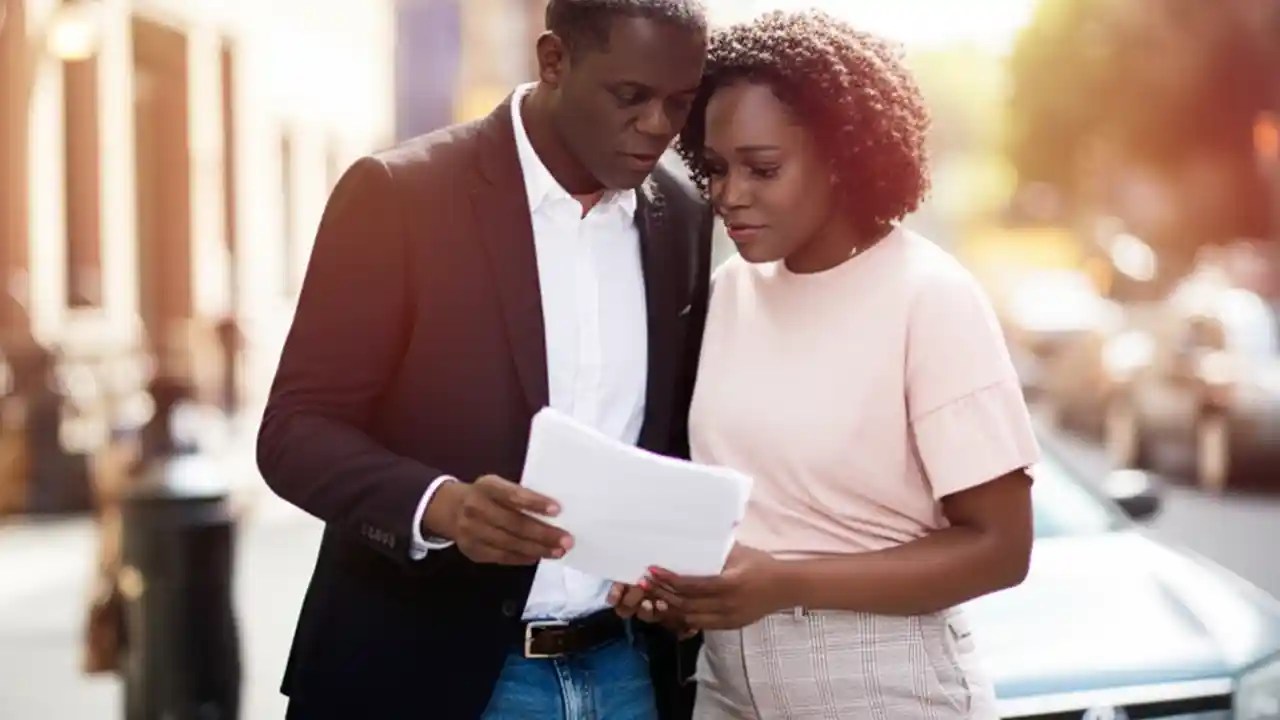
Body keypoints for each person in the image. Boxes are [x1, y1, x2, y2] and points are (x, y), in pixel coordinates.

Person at [256, 1, 713, 717]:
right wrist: (442, 506)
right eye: (630, 96)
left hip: (625, 673)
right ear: (554, 61)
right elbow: (293, 432)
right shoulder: (400, 194)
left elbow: (669, 437)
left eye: (678, 103)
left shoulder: (682, 215)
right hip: (425, 674)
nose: (657, 125)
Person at [637, 11, 1040, 719]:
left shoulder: (928, 295)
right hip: (727, 687)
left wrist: (787, 583)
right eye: (717, 167)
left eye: (763, 168)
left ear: (842, 157)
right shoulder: (728, 292)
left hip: (887, 688)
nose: (729, 194)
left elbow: (1002, 550)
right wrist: (683, 588)